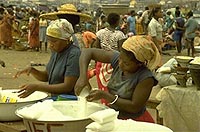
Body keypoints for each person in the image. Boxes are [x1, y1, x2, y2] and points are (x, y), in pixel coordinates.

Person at [75, 36, 161, 123]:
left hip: (134, 122)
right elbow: (87, 52)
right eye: (120, 58)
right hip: (114, 116)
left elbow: (134, 107)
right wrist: (83, 77)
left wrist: (105, 95)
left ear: (139, 63)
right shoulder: (118, 60)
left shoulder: (146, 78)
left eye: (126, 63)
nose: (120, 64)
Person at [14, 19, 81, 98]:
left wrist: (37, 87)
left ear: (66, 40)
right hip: (56, 99)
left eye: (54, 41)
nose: (50, 45)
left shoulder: (74, 54)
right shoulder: (56, 51)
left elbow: (67, 86)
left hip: (69, 102)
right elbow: (47, 76)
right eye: (49, 41)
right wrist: (32, 70)